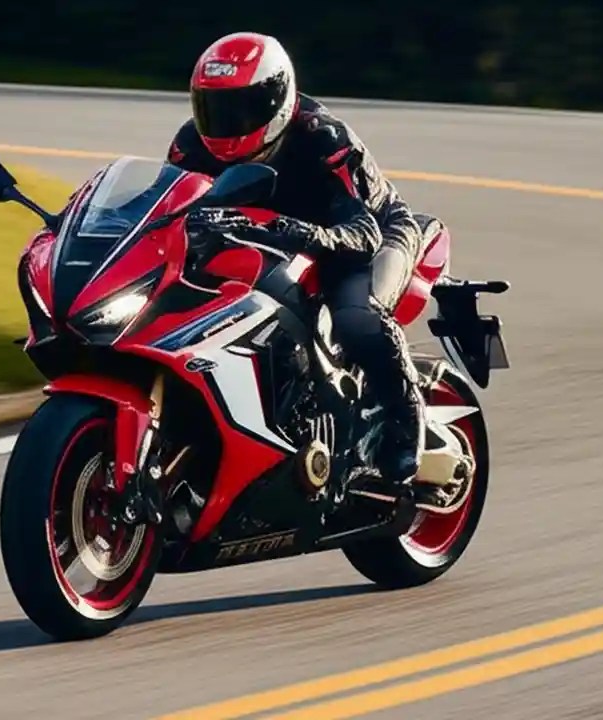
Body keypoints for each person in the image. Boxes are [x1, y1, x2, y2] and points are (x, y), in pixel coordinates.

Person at [166, 31, 443, 490]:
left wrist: (308, 234)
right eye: (212, 108)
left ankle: (404, 415)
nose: (225, 123)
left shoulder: (322, 138)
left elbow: (363, 232)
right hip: (272, 237)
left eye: (240, 108)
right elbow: (172, 205)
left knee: (355, 317)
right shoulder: (190, 143)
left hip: (370, 233)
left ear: (276, 99)